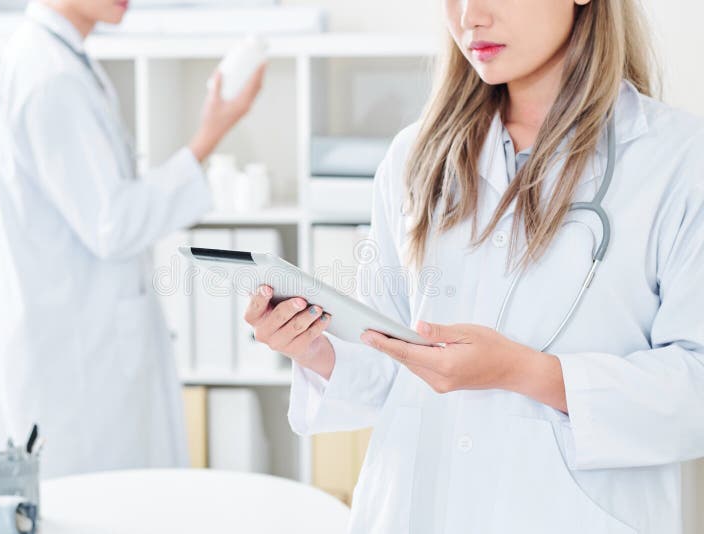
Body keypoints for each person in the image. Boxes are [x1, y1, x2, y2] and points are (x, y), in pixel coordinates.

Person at [244, 0, 704, 532]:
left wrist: (525, 371)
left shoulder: (678, 160)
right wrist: (315, 349)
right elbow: (392, 357)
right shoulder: (415, 156)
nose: (469, 16)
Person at [0, 0, 265, 478]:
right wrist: (209, 134)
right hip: (75, 363)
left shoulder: (61, 61)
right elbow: (112, 225)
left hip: (82, 344)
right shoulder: (50, 78)